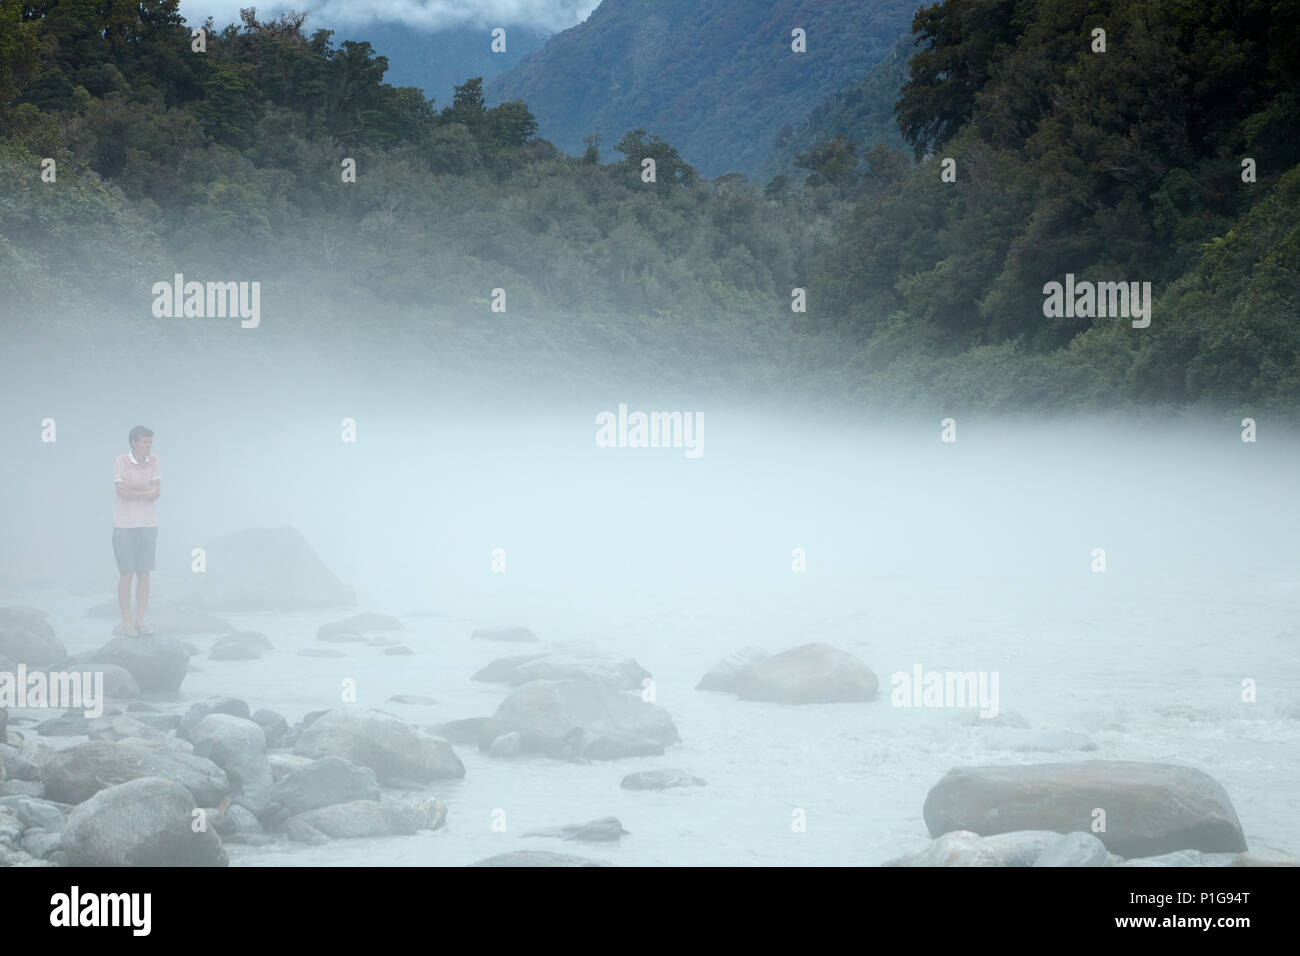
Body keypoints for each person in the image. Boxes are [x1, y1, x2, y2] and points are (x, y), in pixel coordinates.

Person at [113, 426, 161, 636]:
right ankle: (127, 621)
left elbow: (156, 494)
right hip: (124, 526)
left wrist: (134, 489)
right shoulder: (121, 461)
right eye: (144, 442)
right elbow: (122, 494)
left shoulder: (155, 461)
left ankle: (141, 620)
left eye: (150, 442)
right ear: (133, 442)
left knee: (144, 574)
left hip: (148, 525)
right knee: (127, 574)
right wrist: (145, 490)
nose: (148, 446)